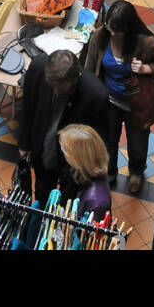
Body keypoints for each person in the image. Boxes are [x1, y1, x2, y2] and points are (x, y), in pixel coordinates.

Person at [85, 0, 154, 195]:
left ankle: (136, 172)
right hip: (109, 101)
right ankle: (108, 172)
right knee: (108, 139)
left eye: (117, 30)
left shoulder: (145, 43)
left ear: (128, 28)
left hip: (136, 104)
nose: (112, 33)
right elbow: (90, 69)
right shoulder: (99, 37)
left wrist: (147, 68)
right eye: (109, 27)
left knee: (137, 143)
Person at [17, 50, 109, 206]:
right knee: (42, 194)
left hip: (72, 164)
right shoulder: (38, 66)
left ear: (75, 77)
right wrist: (24, 142)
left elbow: (98, 140)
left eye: (60, 86)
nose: (54, 90)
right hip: (42, 150)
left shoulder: (96, 95)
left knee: (67, 203)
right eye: (51, 84)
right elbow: (28, 106)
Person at [57, 124, 112, 219]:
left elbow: (86, 232)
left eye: (65, 151)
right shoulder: (90, 168)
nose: (63, 152)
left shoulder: (97, 203)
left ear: (78, 159)